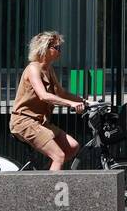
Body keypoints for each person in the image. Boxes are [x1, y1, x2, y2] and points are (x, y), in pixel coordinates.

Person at [9, 31, 87, 171]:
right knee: (58, 156)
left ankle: (44, 179)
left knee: (72, 147)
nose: (59, 51)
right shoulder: (33, 68)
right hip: (25, 122)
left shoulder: (48, 69)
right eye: (56, 48)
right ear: (44, 48)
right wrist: (71, 104)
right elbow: (43, 96)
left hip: (41, 122)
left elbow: (61, 93)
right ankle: (48, 191)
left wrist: (86, 102)